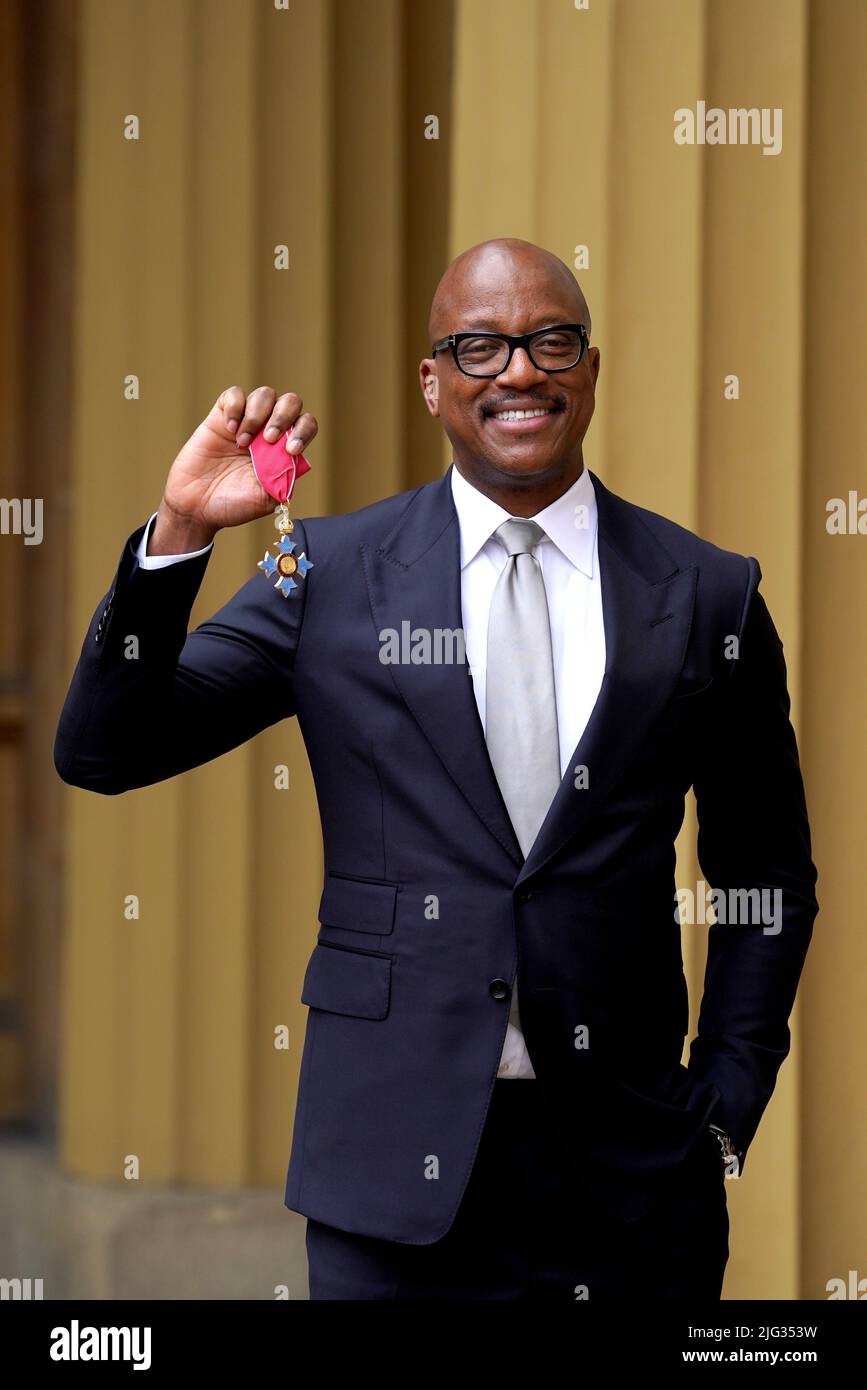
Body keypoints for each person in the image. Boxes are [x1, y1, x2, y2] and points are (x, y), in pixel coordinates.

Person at [54, 238, 818, 1300]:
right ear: (433, 382)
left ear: (589, 370)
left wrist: (730, 1095)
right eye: (480, 346)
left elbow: (766, 874)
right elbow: (105, 750)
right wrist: (179, 531)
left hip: (634, 1177)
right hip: (388, 1175)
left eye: (551, 341)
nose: (518, 370)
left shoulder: (707, 592)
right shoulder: (326, 576)